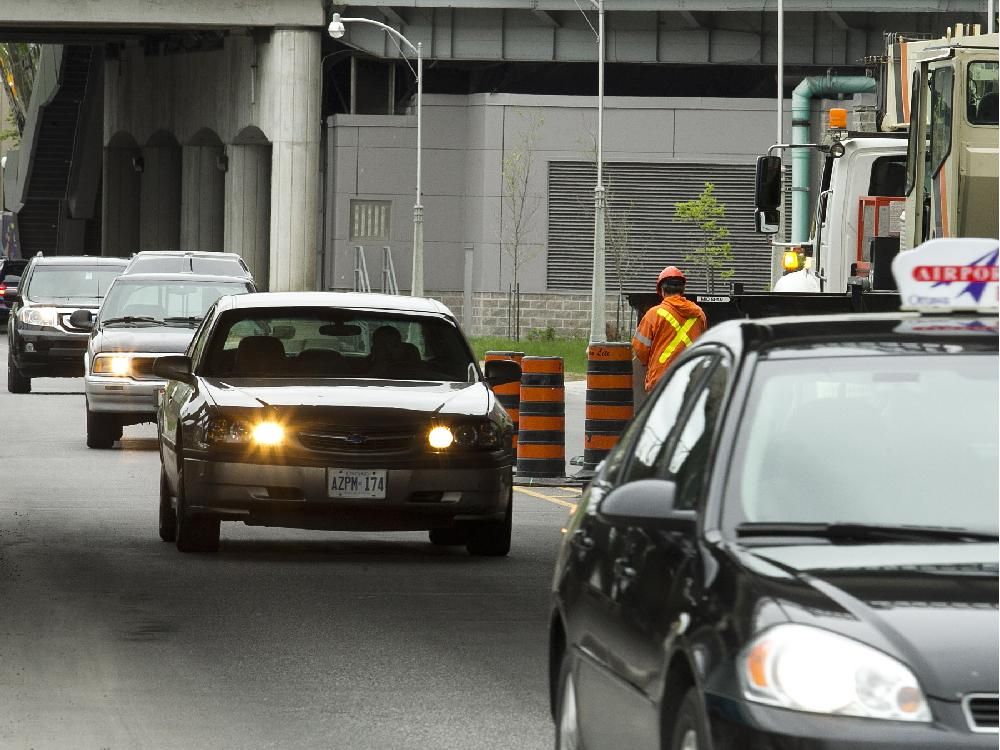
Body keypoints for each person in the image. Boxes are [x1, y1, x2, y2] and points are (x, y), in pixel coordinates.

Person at [631, 266, 707, 393]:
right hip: (691, 380)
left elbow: (640, 349)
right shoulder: (699, 314)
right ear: (682, 289)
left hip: (661, 381)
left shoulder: (653, 314)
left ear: (661, 290)